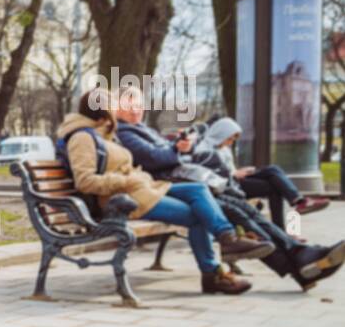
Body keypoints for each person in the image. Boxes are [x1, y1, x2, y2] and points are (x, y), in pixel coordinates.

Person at [57, 89, 273, 295]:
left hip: (141, 189)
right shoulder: (82, 138)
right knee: (196, 216)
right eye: (114, 105)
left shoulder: (103, 134)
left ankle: (228, 238)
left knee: (197, 189)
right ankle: (213, 274)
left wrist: (136, 177)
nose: (118, 110)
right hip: (122, 201)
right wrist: (127, 179)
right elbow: (85, 182)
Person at [198, 117, 330, 229]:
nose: (230, 143)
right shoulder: (204, 149)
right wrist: (234, 174)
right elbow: (208, 174)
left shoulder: (224, 148)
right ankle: (297, 205)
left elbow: (229, 168)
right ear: (221, 134)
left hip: (235, 179)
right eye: (229, 139)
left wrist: (238, 172)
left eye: (232, 140)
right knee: (273, 178)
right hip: (228, 186)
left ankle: (295, 207)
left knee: (273, 177)